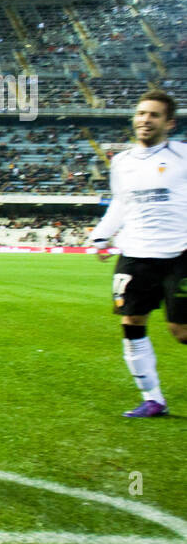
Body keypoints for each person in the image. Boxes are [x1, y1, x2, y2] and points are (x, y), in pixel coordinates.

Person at [90, 89, 187, 417]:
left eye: (154, 115)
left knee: (181, 331)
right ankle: (153, 399)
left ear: (169, 123)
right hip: (135, 254)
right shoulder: (122, 162)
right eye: (141, 113)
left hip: (180, 253)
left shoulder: (183, 156)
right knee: (132, 321)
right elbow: (120, 202)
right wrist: (101, 236)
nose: (145, 120)